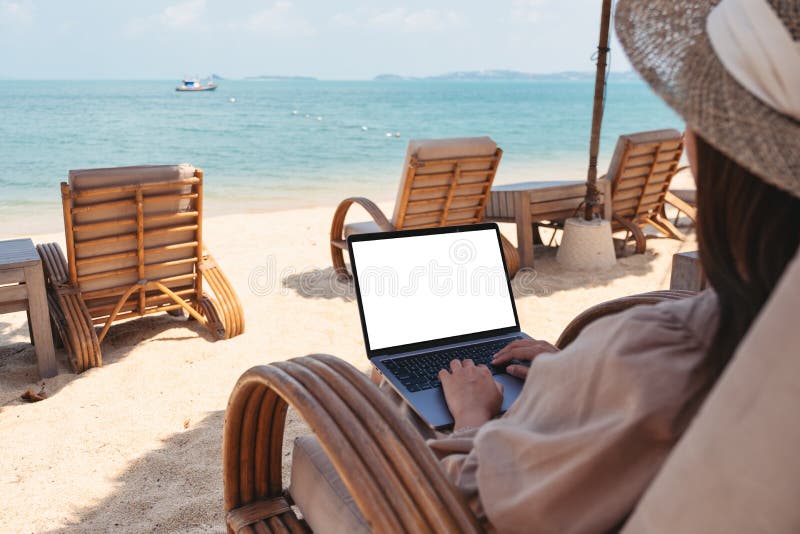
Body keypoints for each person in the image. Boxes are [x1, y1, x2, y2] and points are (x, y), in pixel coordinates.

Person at [290, 0, 800, 531]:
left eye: (692, 116)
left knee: (395, 397)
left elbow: (463, 500)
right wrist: (573, 377)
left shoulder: (663, 350)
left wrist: (471, 414)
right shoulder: (765, 337)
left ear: (719, 156)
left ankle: (391, 380)